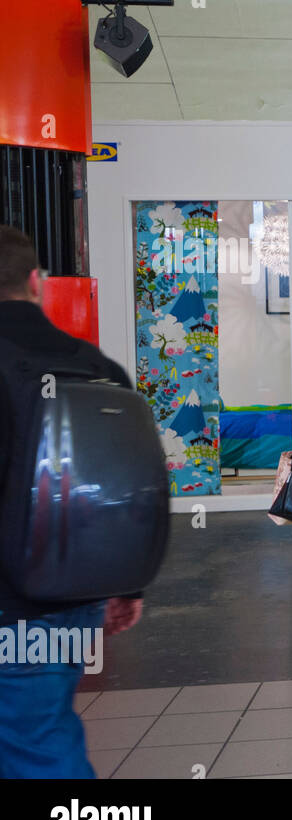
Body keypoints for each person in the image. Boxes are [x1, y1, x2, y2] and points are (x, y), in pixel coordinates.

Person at [0, 226, 144, 777]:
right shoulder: (97, 367)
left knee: (34, 746)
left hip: (12, 602)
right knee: (40, 734)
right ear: (36, 282)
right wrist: (122, 587)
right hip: (70, 598)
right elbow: (122, 483)